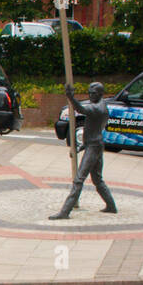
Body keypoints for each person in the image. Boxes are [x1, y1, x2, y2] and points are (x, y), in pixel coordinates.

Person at [49, 82, 117, 219]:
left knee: (79, 179)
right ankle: (111, 206)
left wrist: (70, 97)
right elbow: (93, 128)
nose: (91, 95)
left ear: (100, 94)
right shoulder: (103, 104)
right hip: (95, 144)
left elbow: (80, 109)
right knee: (97, 179)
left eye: (93, 93)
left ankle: (65, 211)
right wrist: (84, 145)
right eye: (89, 93)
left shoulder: (97, 108)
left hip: (94, 146)